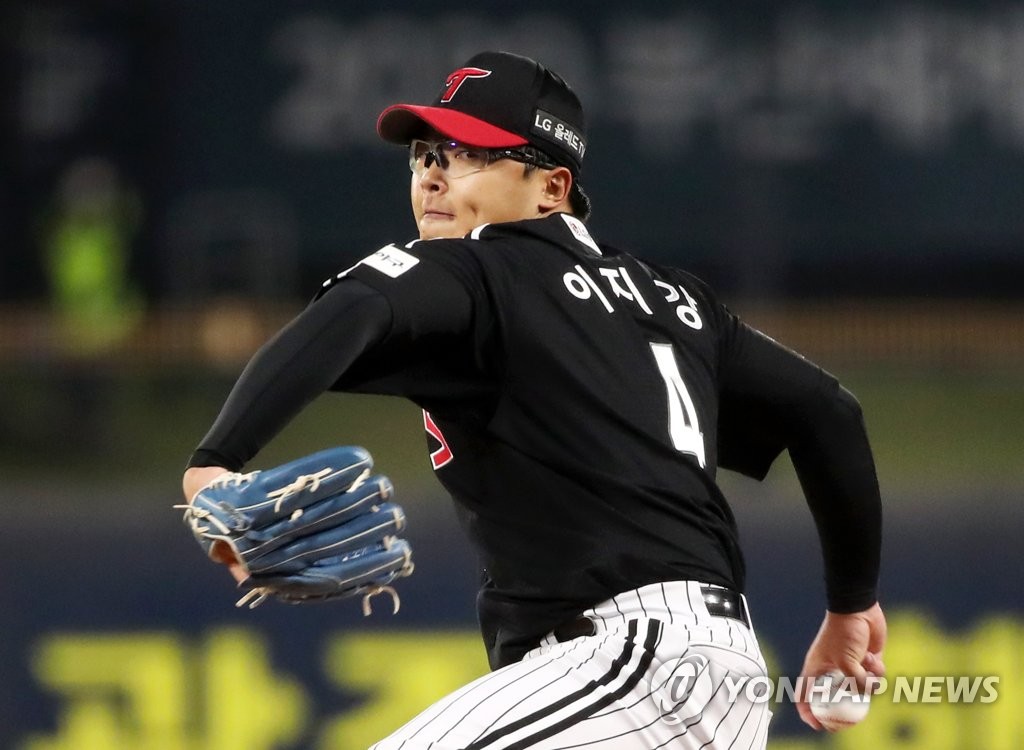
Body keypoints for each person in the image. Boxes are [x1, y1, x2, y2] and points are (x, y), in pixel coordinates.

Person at [182, 51, 885, 748]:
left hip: (628, 665)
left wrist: (215, 462)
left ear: (551, 187)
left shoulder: (485, 268)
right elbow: (827, 412)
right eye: (425, 153)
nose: (432, 172)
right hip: (696, 671)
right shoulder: (679, 304)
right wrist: (851, 607)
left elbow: (358, 307)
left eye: (468, 154)